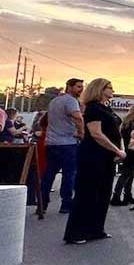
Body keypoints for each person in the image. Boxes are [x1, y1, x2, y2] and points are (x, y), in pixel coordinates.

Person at [64, 79, 125, 245]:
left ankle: (96, 229)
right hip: (93, 156)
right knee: (87, 193)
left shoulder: (106, 108)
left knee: (103, 193)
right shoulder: (93, 108)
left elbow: (115, 131)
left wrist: (118, 149)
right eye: (109, 88)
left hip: (106, 157)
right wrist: (116, 150)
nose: (112, 90)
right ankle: (76, 232)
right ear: (99, 89)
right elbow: (96, 134)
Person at [40, 78, 84, 214]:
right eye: (78, 87)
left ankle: (42, 203)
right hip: (67, 143)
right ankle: (66, 204)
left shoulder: (54, 101)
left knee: (48, 174)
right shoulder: (71, 100)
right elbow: (78, 117)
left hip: (51, 143)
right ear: (69, 87)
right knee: (69, 174)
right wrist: (81, 133)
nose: (81, 89)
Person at [109, 103, 134, 206]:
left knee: (128, 173)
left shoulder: (125, 122)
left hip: (127, 148)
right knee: (127, 174)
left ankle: (126, 195)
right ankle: (117, 196)